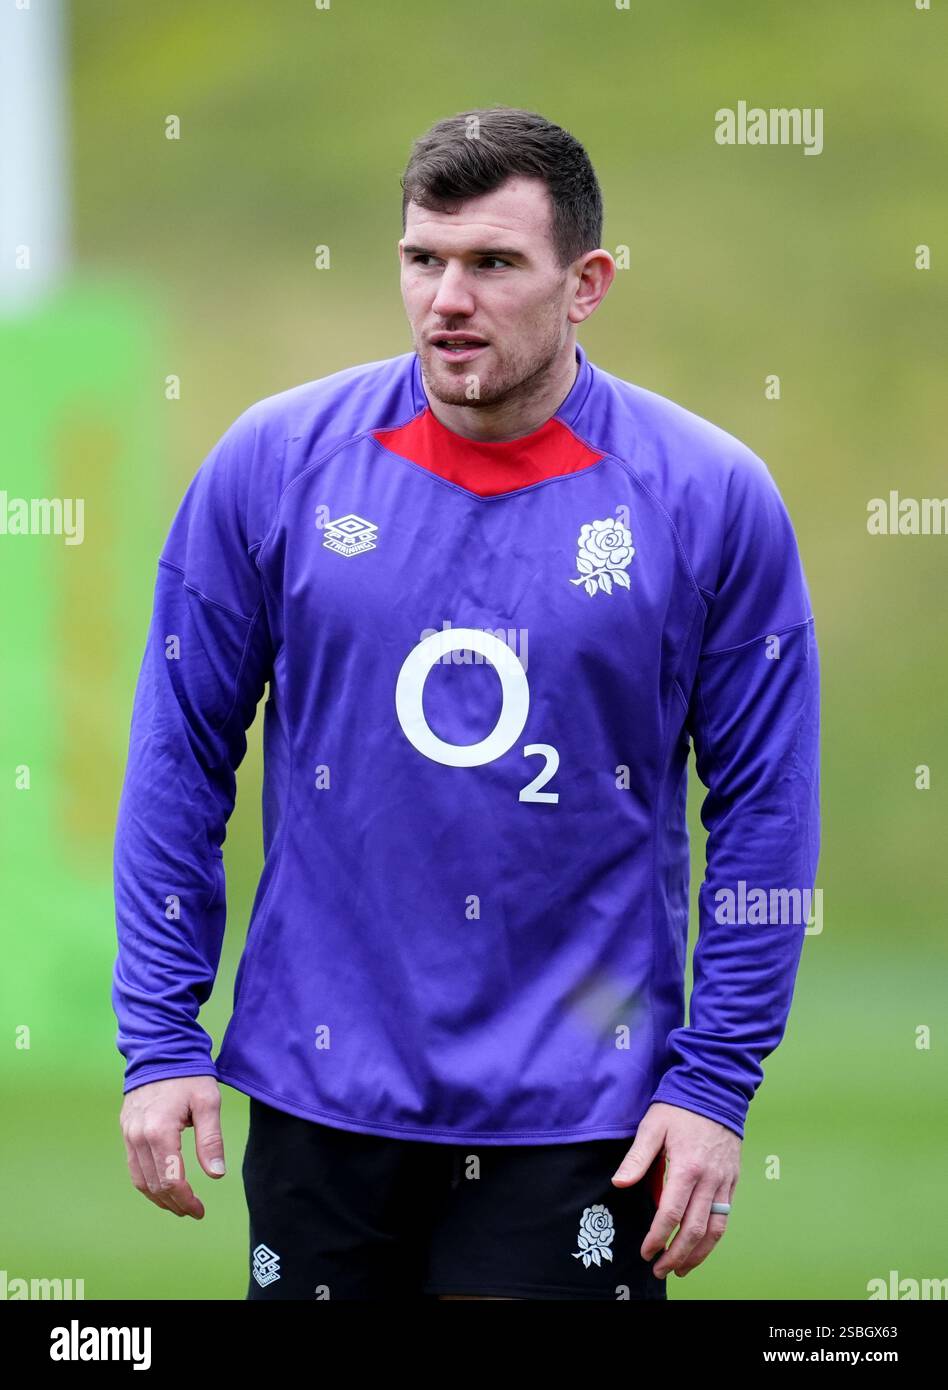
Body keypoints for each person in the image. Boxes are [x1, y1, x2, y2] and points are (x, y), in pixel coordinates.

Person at [113, 106, 820, 1301]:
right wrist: (159, 1036)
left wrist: (716, 1083)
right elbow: (179, 759)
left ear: (585, 282)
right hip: (320, 1093)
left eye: (494, 263)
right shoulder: (272, 466)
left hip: (584, 1112)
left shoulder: (708, 497)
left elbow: (765, 809)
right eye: (423, 259)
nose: (449, 297)